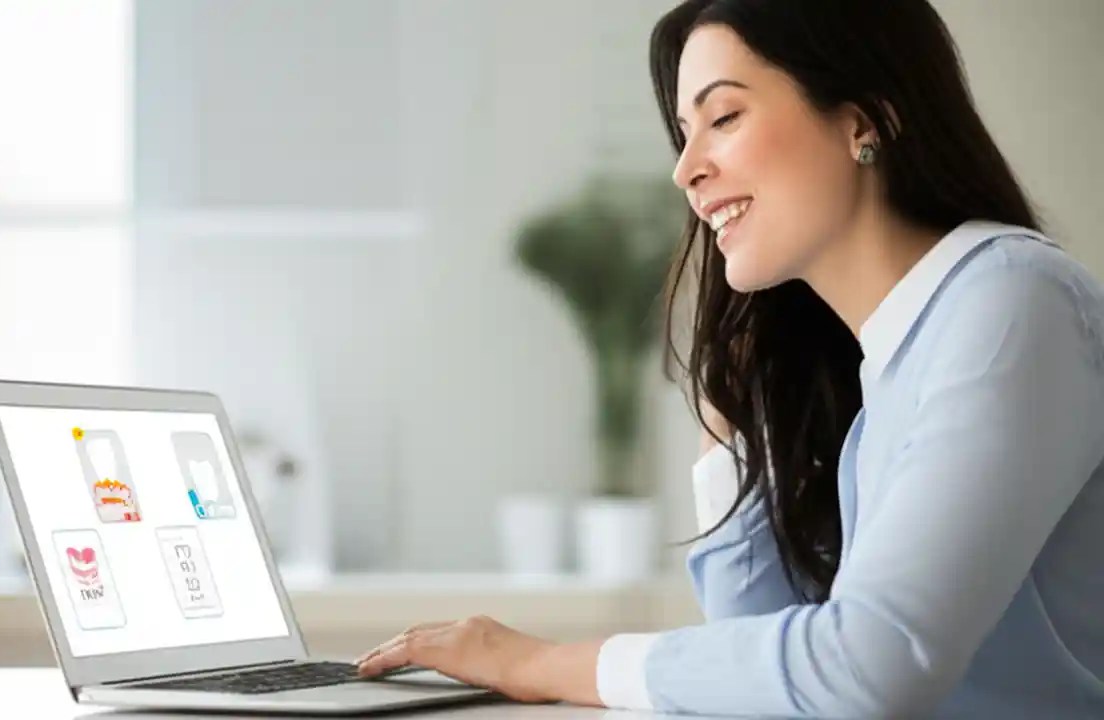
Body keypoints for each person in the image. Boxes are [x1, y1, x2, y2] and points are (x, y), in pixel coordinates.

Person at [355, 1, 1104, 716]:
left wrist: (540, 665)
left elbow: (870, 666)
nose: (686, 170)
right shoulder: (888, 371)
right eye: (684, 133)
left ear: (864, 119)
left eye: (724, 117)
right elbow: (771, 683)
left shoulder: (1010, 300)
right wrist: (731, 431)